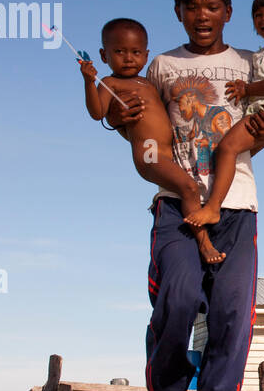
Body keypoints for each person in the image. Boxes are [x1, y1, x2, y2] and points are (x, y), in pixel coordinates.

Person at [122, 0, 264, 391]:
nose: (202, 15)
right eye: (191, 7)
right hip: (176, 205)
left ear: (228, 11)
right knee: (177, 295)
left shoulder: (252, 64)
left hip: (237, 207)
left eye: (211, 6)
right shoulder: (163, 66)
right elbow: (140, 125)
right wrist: (119, 114)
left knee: (232, 317)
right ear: (177, 11)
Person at [78, 18, 225, 265]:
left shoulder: (147, 83)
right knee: (188, 187)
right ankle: (203, 242)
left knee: (189, 189)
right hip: (149, 154)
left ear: (146, 56)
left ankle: (194, 237)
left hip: (168, 153)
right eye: (119, 52)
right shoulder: (110, 83)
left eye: (135, 52)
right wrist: (89, 81)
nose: (128, 58)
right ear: (104, 55)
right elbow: (97, 112)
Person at [182, 0, 264, 230]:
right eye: (258, 14)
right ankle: (214, 198)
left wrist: (246, 90)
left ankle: (213, 206)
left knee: (227, 148)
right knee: (236, 157)